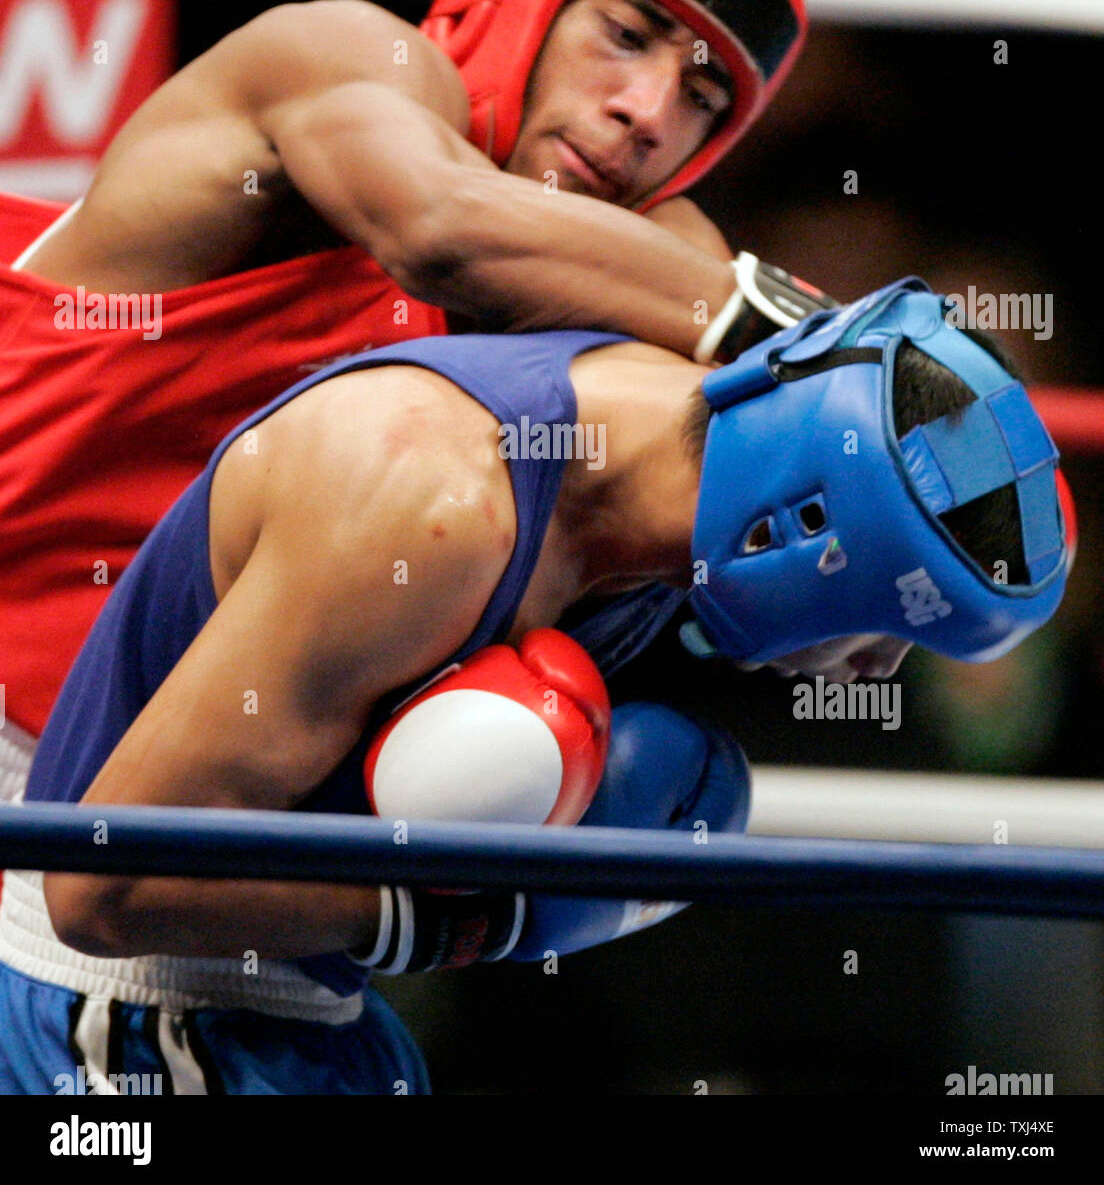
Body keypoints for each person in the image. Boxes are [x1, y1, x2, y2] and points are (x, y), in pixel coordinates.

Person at [0, 279, 1068, 1094]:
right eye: (886, 635)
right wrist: (450, 923)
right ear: (799, 536)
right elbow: (99, 888)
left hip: (306, 1017)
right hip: (120, 1020)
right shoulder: (432, 510)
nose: (878, 672)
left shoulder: (675, 450)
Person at [0, 0, 825, 766]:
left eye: (702, 95)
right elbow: (439, 229)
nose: (647, 111)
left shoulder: (662, 265)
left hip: (164, 773)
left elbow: (753, 494)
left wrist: (838, 568)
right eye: (625, 37)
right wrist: (769, 325)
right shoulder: (337, 59)